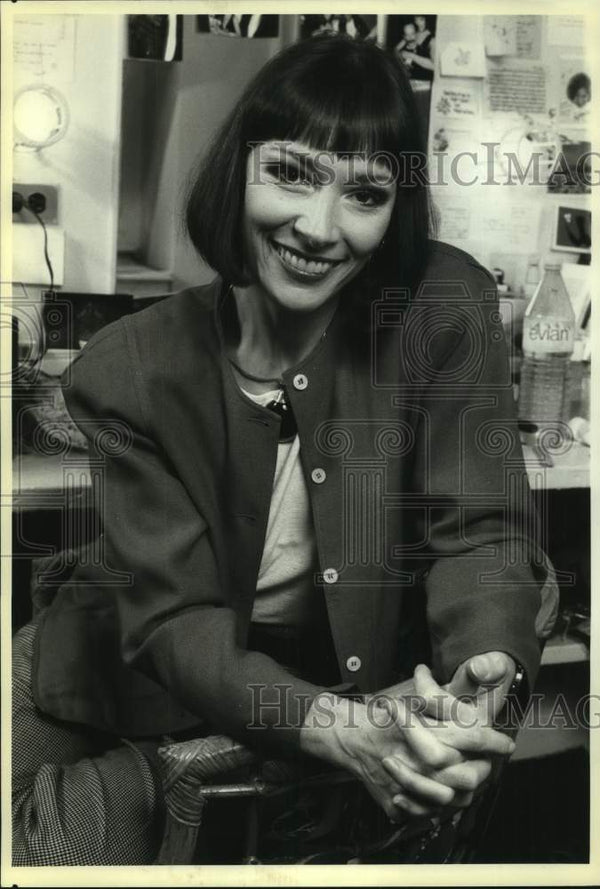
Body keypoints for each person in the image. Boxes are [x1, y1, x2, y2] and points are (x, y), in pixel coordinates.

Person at [13, 35, 550, 866]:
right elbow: (172, 621)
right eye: (292, 173)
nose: (318, 227)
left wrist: (486, 655)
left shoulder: (443, 306)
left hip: (305, 688)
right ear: (240, 170)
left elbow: (479, 527)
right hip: (117, 667)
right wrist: (338, 728)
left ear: (394, 212)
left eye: (364, 193)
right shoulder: (126, 366)